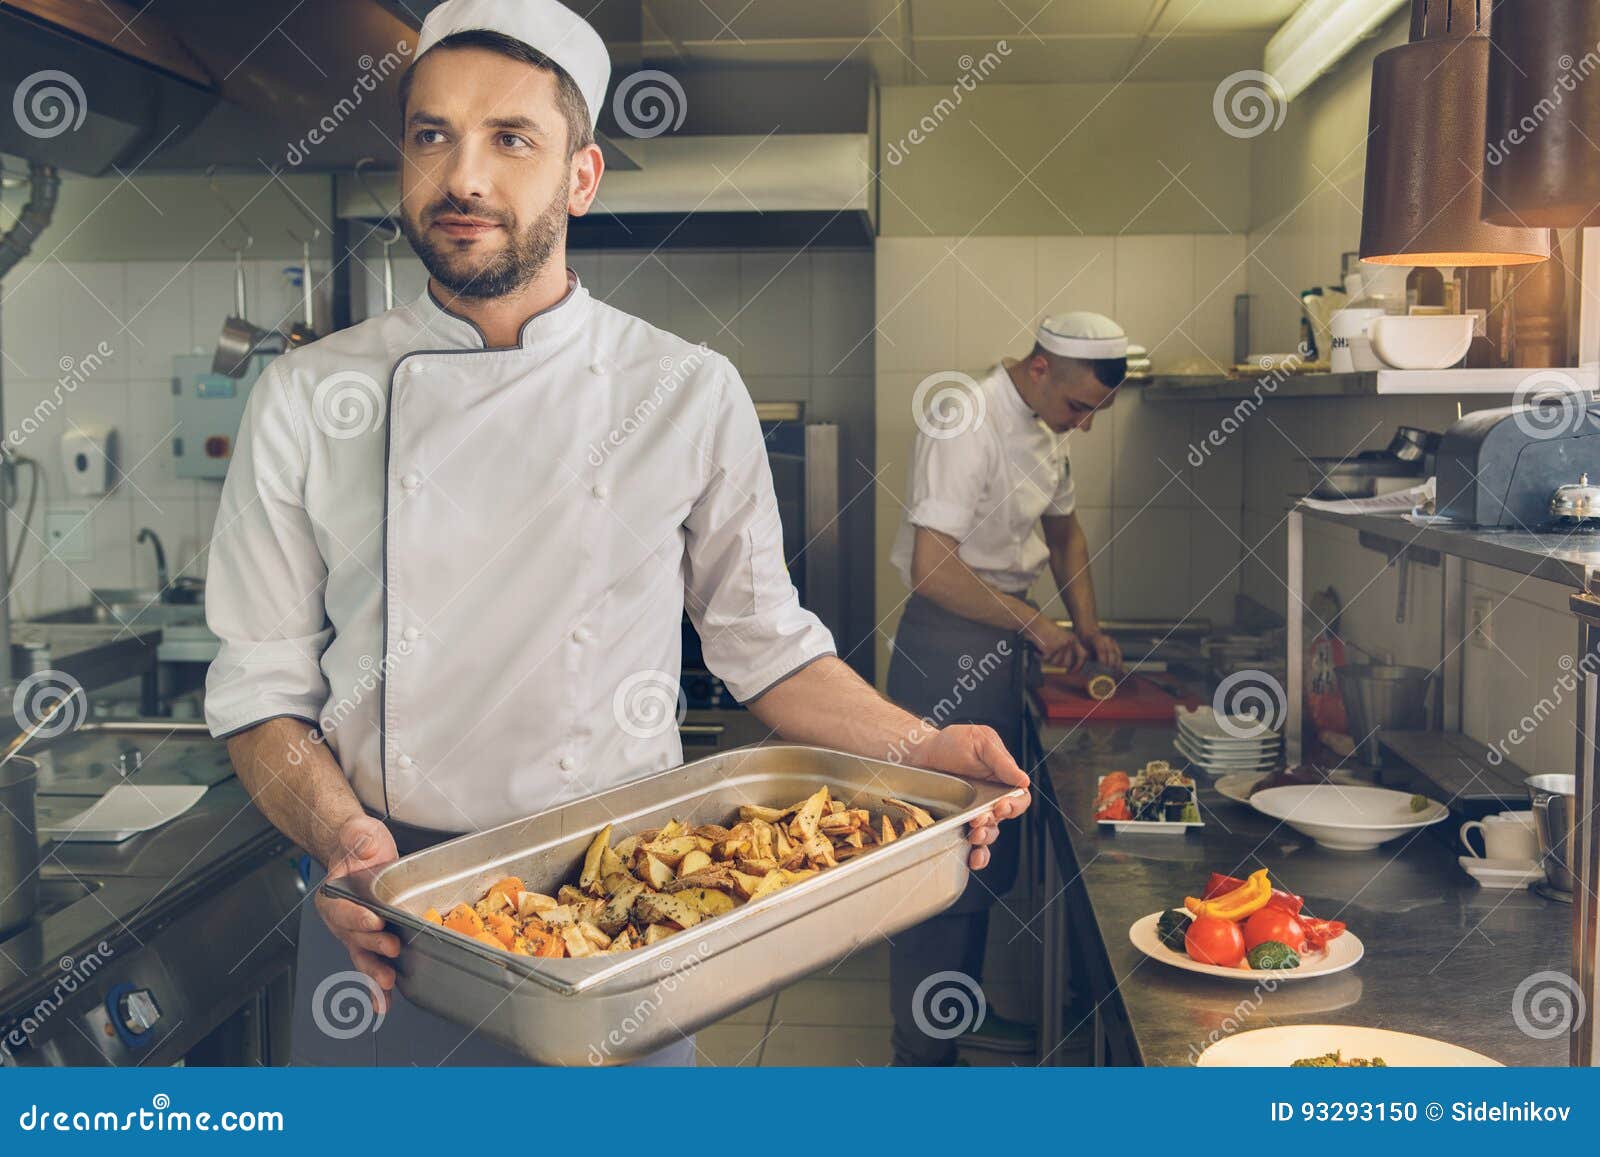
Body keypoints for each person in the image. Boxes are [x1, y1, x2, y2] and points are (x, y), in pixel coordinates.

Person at [204, 0, 1030, 1067]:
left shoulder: (683, 388)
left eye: (512, 139)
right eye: (430, 135)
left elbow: (764, 646)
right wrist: (343, 841)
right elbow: (260, 688)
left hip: (623, 912)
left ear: (580, 178)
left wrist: (919, 748)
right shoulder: (307, 395)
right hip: (391, 920)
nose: (464, 177)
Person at [884, 312, 1127, 1065]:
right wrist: (1031, 622)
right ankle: (920, 1051)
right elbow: (932, 564)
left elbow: (1066, 534)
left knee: (988, 849)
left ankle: (959, 1007)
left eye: (1095, 414)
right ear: (1038, 369)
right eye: (1078, 408)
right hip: (949, 647)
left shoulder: (1047, 429)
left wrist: (1084, 626)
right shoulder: (968, 417)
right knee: (941, 849)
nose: (1083, 426)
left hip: (1002, 641)